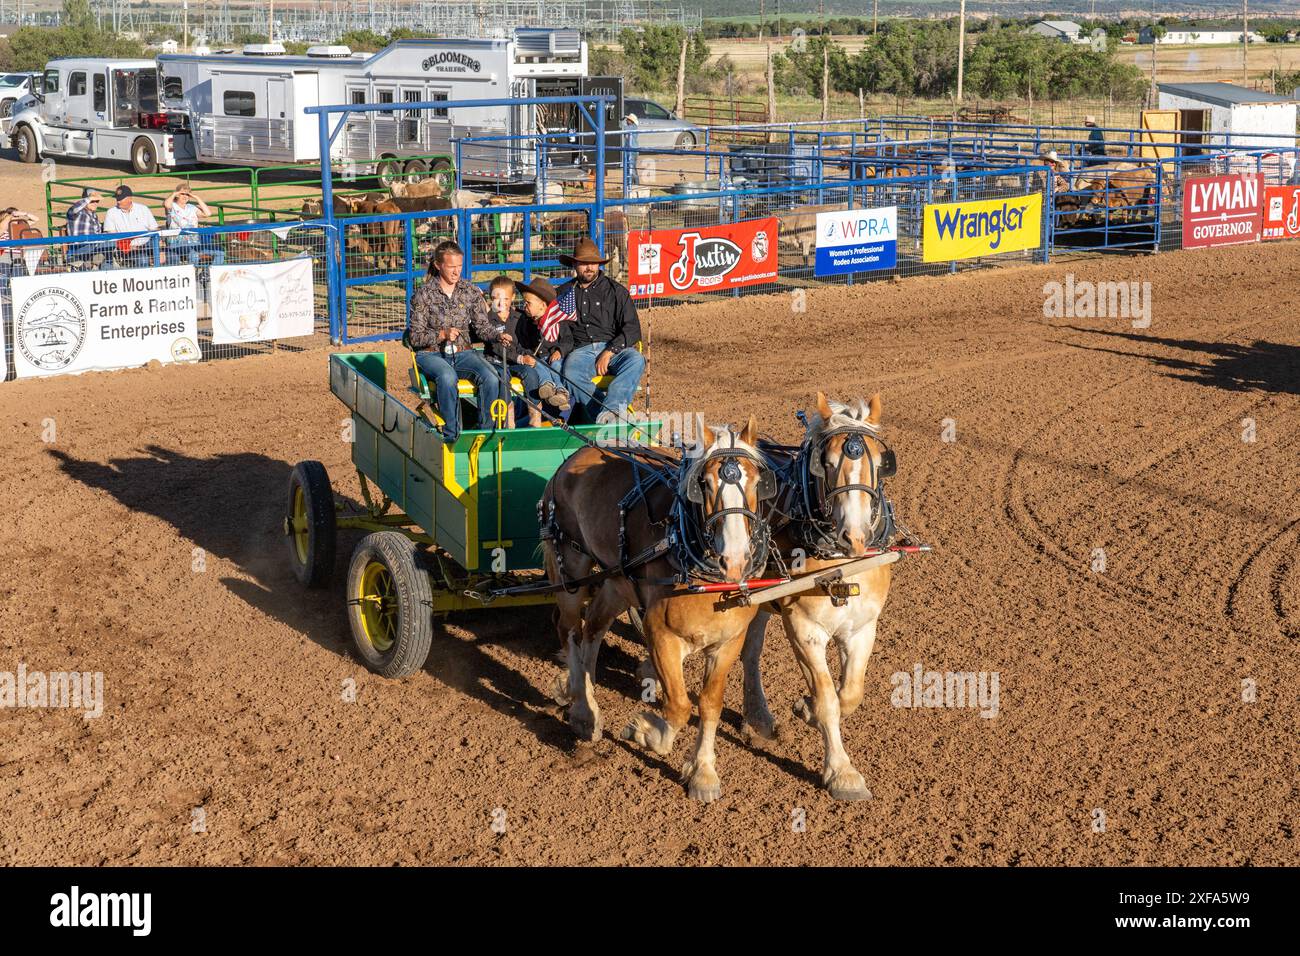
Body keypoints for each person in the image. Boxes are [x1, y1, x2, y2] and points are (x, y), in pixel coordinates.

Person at [408, 240, 508, 444]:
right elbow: (415, 337)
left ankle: (485, 434)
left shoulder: (469, 291)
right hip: (431, 354)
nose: (456, 271)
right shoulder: (424, 294)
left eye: (459, 266)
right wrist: (442, 334)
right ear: (438, 265)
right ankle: (452, 435)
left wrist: (497, 335)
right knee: (446, 376)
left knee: (491, 376)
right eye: (451, 266)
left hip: (464, 353)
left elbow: (481, 327)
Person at [555, 236, 644, 424]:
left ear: (599, 264)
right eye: (583, 263)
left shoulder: (616, 291)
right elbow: (561, 329)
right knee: (571, 373)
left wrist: (610, 351)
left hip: (613, 348)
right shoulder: (564, 293)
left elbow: (632, 328)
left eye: (593, 263)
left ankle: (611, 410)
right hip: (580, 351)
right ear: (574, 265)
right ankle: (603, 417)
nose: (589, 267)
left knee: (636, 360)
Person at [485, 275, 572, 427]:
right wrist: (521, 357)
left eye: (505, 299)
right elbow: (496, 347)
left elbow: (525, 342)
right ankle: (508, 422)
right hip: (497, 362)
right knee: (503, 377)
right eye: (496, 298)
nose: (500, 303)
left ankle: (535, 419)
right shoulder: (486, 320)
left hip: (518, 360)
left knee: (531, 372)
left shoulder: (519, 317)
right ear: (490, 298)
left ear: (512, 298)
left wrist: (527, 355)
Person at [164, 184, 223, 269]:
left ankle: (207, 274)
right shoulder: (172, 206)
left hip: (195, 242)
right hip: (177, 243)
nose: (185, 196)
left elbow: (208, 213)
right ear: (177, 194)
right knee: (194, 256)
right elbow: (166, 204)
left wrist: (197, 198)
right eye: (182, 194)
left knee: (220, 252)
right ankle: (194, 276)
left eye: (187, 194)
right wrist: (175, 193)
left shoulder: (192, 207)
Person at [102, 185, 158, 268]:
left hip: (148, 245)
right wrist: (127, 247)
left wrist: (159, 250)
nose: (118, 201)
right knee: (142, 259)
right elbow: (112, 235)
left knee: (170, 257)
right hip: (126, 248)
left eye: (121, 199)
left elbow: (155, 229)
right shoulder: (111, 212)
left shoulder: (143, 209)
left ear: (130, 198)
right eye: (117, 199)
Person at [65, 187, 104, 269]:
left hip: (92, 247)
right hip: (79, 248)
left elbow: (98, 232)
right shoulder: (77, 213)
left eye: (97, 201)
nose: (95, 203)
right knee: (102, 247)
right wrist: (89, 199)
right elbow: (74, 209)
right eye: (92, 201)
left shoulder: (94, 215)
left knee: (109, 246)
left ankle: (100, 271)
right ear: (85, 200)